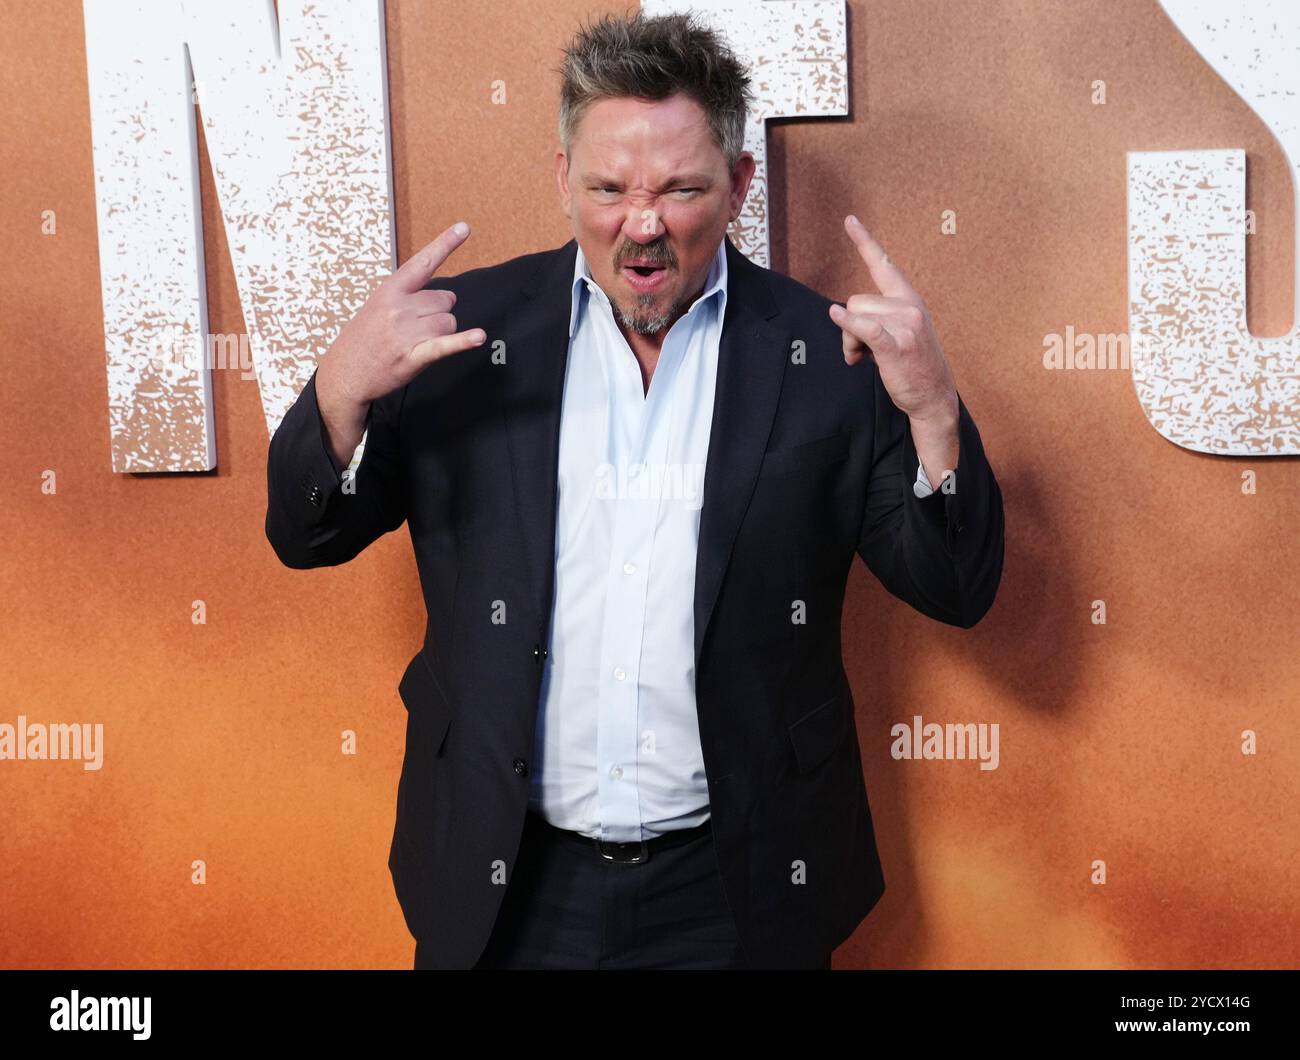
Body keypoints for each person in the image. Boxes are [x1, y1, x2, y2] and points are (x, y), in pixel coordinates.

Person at [265, 11, 1004, 969]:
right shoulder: (456, 334)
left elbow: (956, 587)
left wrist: (934, 408)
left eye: (682, 189)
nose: (642, 223)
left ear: (740, 184)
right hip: (506, 881)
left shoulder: (832, 352)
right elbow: (304, 535)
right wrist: (336, 395)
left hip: (739, 887)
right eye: (608, 187)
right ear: (562, 176)